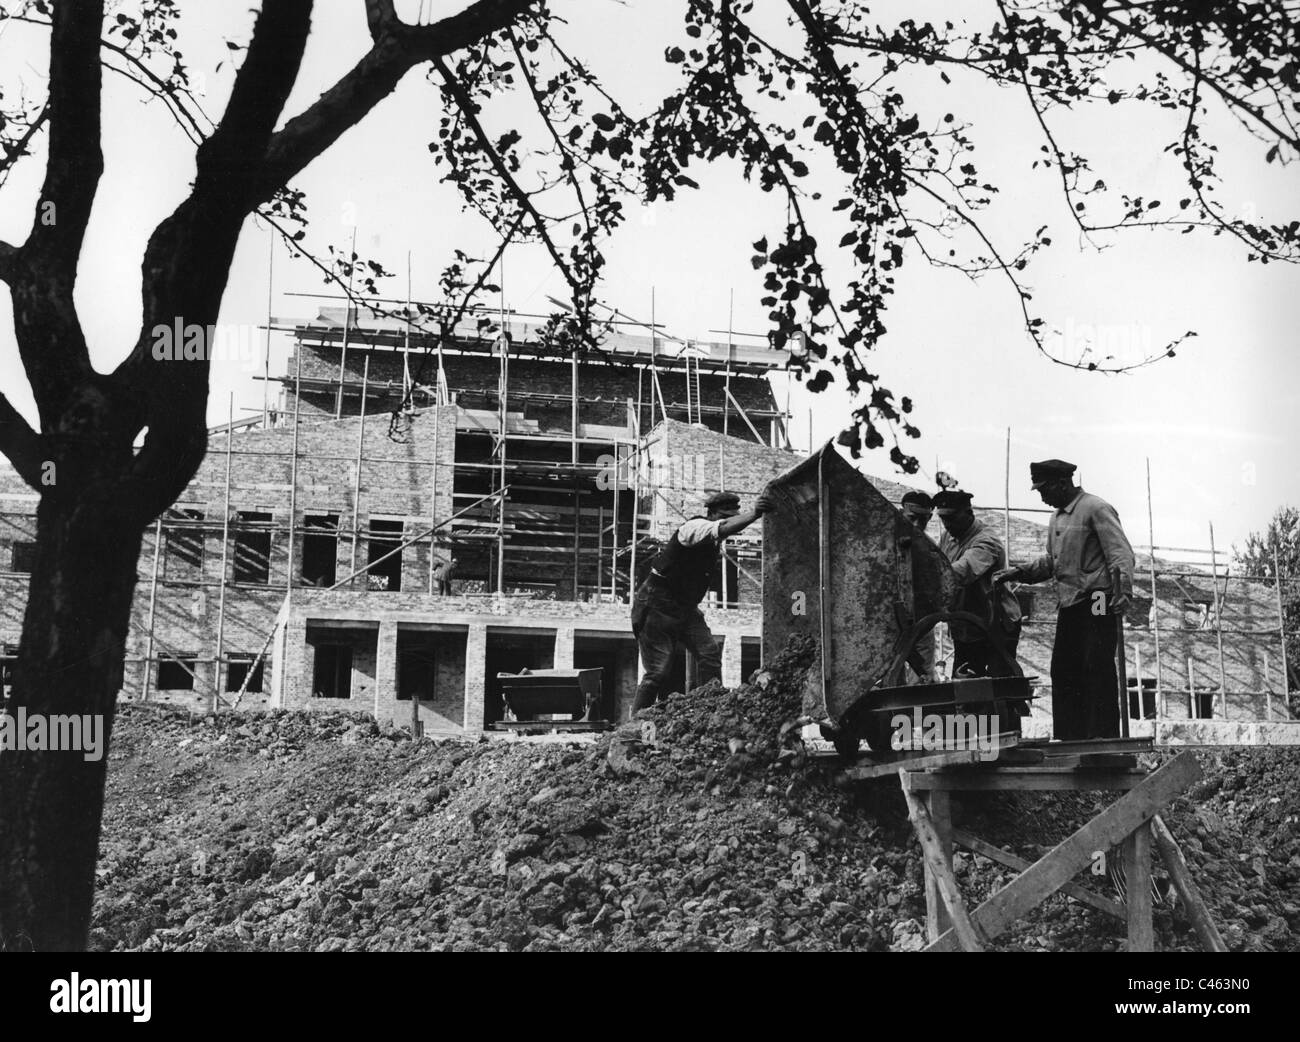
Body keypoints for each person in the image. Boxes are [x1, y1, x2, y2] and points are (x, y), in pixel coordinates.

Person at [994, 459, 1135, 740]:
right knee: (1064, 669)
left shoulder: (1095, 508)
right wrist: (1018, 572)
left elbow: (1120, 555)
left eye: (1044, 489)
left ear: (1062, 483)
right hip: (1070, 602)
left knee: (1096, 664)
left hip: (1097, 597)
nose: (1042, 496)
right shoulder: (1056, 518)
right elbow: (1051, 562)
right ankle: (1072, 738)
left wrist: (1123, 592)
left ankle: (1102, 737)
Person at [631, 489, 770, 713]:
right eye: (726, 517)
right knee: (657, 672)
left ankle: (712, 710)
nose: (729, 522)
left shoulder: (711, 540)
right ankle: (634, 725)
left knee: (709, 655)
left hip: (685, 608)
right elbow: (721, 529)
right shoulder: (694, 528)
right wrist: (754, 514)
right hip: (656, 604)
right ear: (713, 514)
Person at [933, 489, 1021, 677]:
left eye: (952, 518)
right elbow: (937, 563)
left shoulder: (986, 541)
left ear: (969, 513)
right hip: (966, 626)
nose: (947, 524)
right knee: (965, 683)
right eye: (943, 519)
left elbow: (960, 572)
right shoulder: (949, 535)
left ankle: (1015, 707)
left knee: (999, 687)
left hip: (995, 626)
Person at [899, 490, 937, 681]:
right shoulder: (882, 541)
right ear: (901, 512)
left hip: (921, 622)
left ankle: (918, 711)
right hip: (888, 623)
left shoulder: (930, 548)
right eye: (912, 518)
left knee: (923, 677)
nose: (917, 525)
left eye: (923, 520)